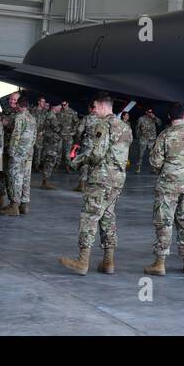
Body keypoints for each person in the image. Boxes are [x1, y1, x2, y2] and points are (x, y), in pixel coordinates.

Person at [59, 93, 132, 276]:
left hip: (101, 178)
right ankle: (108, 261)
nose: (94, 109)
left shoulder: (103, 125)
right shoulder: (125, 127)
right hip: (118, 179)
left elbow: (97, 154)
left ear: (101, 105)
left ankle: (82, 262)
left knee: (89, 216)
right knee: (107, 216)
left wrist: (77, 161)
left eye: (95, 106)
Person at [144, 102, 184, 276]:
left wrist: (163, 170)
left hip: (167, 185)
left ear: (170, 117)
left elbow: (155, 162)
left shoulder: (165, 135)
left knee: (164, 222)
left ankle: (160, 263)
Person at [0, 96, 36, 216]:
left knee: (16, 177)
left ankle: (14, 206)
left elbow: (15, 136)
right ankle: (24, 205)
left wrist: (12, 152)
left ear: (19, 105)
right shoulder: (32, 118)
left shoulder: (19, 117)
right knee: (26, 177)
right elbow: (34, 136)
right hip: (28, 153)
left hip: (18, 153)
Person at [39, 102, 64, 190]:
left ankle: (46, 181)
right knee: (49, 161)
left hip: (52, 142)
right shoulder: (51, 116)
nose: (61, 107)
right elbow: (57, 129)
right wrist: (62, 126)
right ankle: (45, 182)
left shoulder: (53, 115)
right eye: (59, 106)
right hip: (51, 144)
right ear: (54, 106)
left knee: (50, 161)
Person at [134, 107, 161, 173]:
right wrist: (138, 136)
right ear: (146, 112)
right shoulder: (141, 119)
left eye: (151, 112)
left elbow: (160, 123)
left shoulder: (154, 118)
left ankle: (153, 168)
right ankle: (138, 168)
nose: (150, 113)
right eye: (149, 112)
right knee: (140, 154)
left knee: (152, 154)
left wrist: (154, 117)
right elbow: (137, 128)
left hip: (152, 139)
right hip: (143, 138)